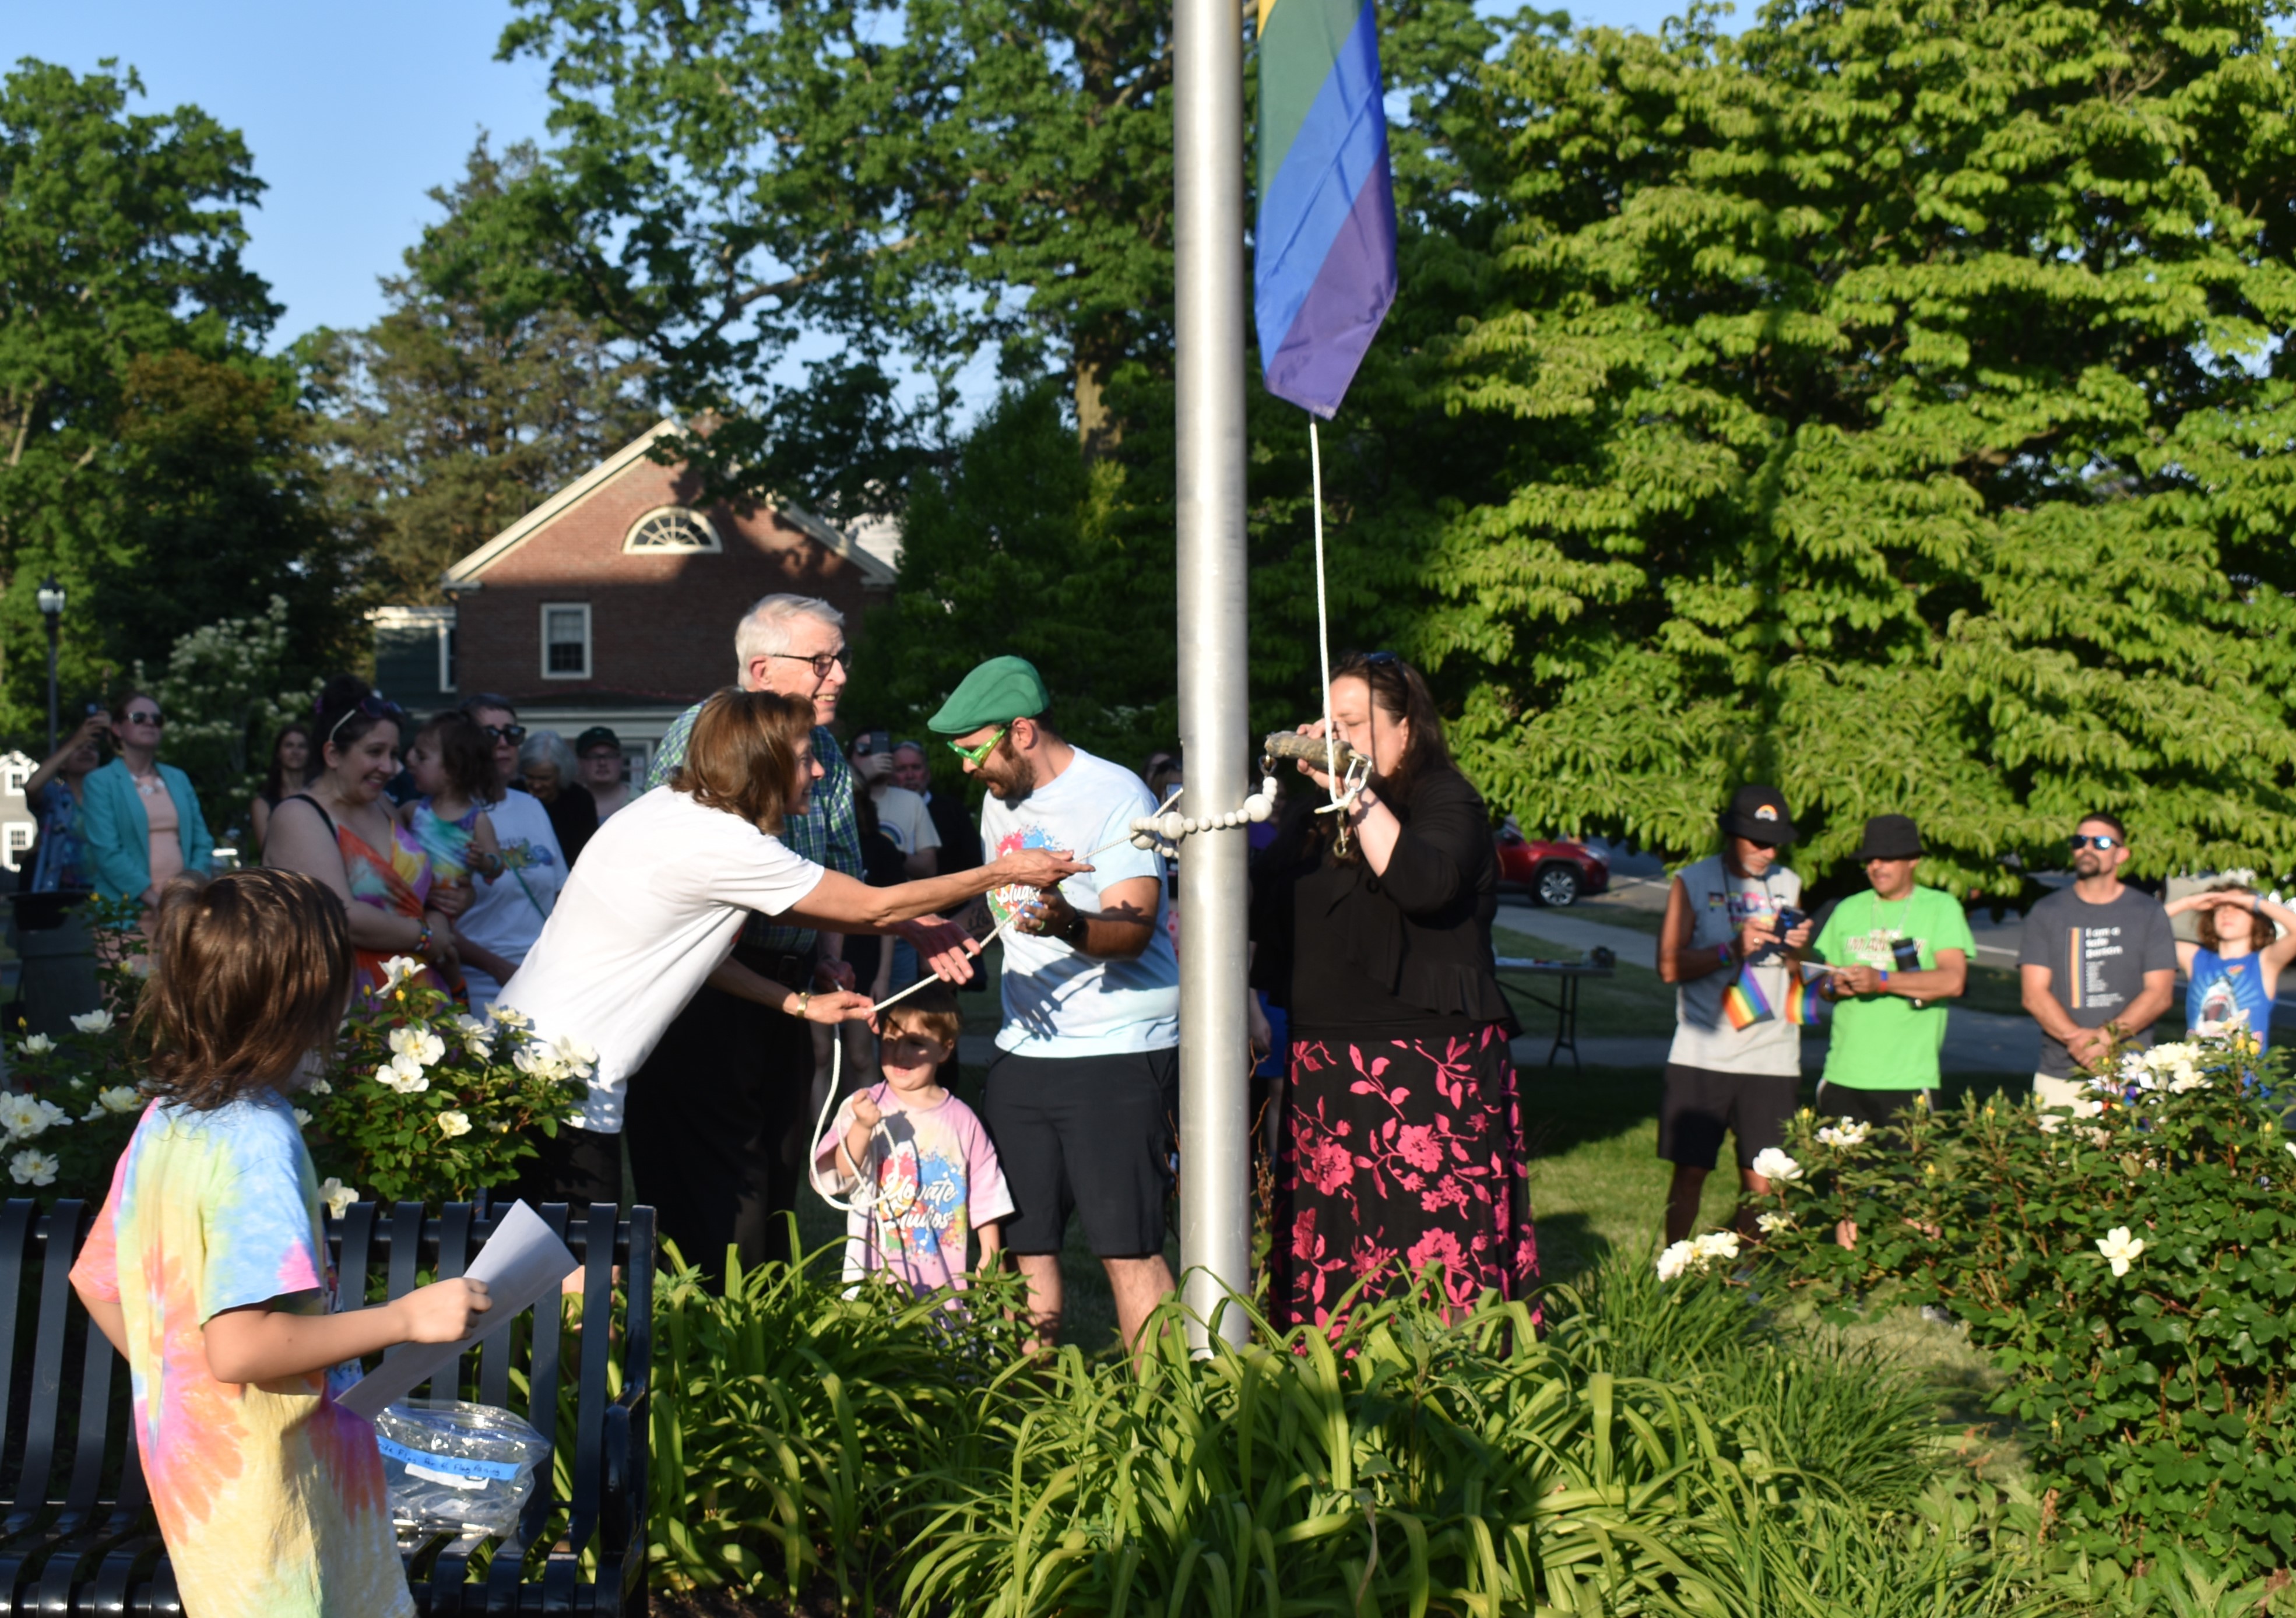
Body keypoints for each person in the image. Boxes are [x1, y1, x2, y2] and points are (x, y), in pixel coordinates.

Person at [68, 869, 491, 1618]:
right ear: (305, 1001)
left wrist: (185, 1393)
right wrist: (407, 1318)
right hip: (268, 1485)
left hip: (208, 1471)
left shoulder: (171, 1114)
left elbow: (98, 1280)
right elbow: (240, 1347)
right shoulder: (259, 1141)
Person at [495, 688, 1085, 1221]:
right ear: (764, 763)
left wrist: (796, 1002)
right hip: (560, 1085)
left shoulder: (673, 813)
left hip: (523, 1058)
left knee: (541, 1271)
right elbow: (870, 907)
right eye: (806, 757)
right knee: (570, 1283)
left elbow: (691, 954)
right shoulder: (723, 842)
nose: (821, 770)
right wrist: (1003, 871)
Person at [1249, 652, 1532, 1331]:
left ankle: (1439, 1396)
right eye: (1331, 723)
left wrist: (1357, 790)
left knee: (1429, 1251)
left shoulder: (1447, 797)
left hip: (1428, 1065)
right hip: (1327, 1064)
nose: (1338, 738)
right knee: (1336, 1251)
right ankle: (1330, 1396)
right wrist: (1252, 1001)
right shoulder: (1316, 815)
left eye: (1356, 723)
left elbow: (1422, 882)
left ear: (1407, 729)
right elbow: (1265, 913)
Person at [930, 655, 1182, 1352]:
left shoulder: (1114, 793)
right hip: (1023, 1050)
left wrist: (1065, 921)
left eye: (974, 749)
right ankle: (1031, 1410)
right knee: (1020, 1246)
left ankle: (1159, 1418)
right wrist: (955, 936)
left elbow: (1132, 929)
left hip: (1118, 1049)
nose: (965, 767)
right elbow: (1006, 911)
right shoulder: (998, 795)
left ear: (1022, 731)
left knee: (1126, 1246)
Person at [621, 595, 869, 1272]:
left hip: (787, 988)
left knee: (777, 1162)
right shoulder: (704, 733)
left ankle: (763, 1334)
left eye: (842, 658)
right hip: (709, 986)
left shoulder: (827, 752)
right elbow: (691, 872)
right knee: (719, 1186)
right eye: (822, 661)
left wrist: (828, 958)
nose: (840, 675)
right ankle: (703, 1342)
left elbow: (840, 860)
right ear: (761, 668)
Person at [1654, 783, 1815, 1245]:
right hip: (1702, 1053)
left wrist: (1795, 952)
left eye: (1774, 843)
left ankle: (1746, 1279)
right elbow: (1667, 966)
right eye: (1757, 841)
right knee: (1690, 1172)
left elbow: (1795, 974)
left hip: (1771, 1054)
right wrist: (1731, 949)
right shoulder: (1692, 881)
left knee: (1761, 1179)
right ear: (1731, 835)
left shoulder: (1788, 884)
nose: (1767, 852)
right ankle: (1675, 1265)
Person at [808, 982, 1012, 1294]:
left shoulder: (963, 1120)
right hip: (874, 1279)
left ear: (945, 1048)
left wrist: (989, 1254)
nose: (900, 1054)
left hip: (942, 1281)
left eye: (915, 1043)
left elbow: (987, 1193)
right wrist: (862, 1127)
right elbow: (842, 1173)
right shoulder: (864, 1105)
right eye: (890, 1041)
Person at [263, 678, 462, 997]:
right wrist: (425, 937)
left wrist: (442, 916)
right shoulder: (298, 816)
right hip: (346, 1011)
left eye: (393, 753)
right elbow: (342, 916)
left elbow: (424, 897)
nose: (390, 767)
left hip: (419, 1006)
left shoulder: (382, 804)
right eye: (375, 752)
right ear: (332, 754)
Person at [1811, 815, 1973, 1125]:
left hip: (1908, 1078)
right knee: (1843, 1175)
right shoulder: (1849, 908)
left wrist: (1881, 981)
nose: (1876, 866)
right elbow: (1822, 982)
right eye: (1870, 860)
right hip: (1843, 1074)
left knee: (1905, 1175)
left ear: (1912, 860)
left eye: (1887, 859)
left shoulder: (1941, 907)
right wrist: (1835, 987)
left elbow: (1953, 981)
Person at [2017, 813, 2177, 1113]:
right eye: (2080, 841)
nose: (2087, 849)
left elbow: (2159, 993)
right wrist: (2079, 1041)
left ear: (2122, 854)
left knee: (2134, 1161)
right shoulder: (2047, 911)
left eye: (2101, 842)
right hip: (2061, 1074)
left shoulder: (2148, 913)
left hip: (2132, 1072)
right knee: (2058, 1161)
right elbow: (2033, 993)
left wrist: (2106, 1039)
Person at [450, 695, 568, 1011]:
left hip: (543, 980)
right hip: (480, 987)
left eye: (512, 734)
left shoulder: (532, 806)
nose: (504, 744)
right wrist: (499, 969)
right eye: (490, 734)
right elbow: (436, 923)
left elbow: (561, 895)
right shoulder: (449, 816)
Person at [79, 692, 217, 924]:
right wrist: (154, 899)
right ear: (117, 729)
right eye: (139, 717)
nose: (150, 723)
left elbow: (202, 841)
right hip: (126, 912)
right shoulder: (100, 782)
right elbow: (107, 850)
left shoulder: (178, 778)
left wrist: (188, 891)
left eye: (157, 719)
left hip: (184, 911)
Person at [2166, 882, 2296, 1046]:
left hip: (2243, 1071)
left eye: (2238, 907)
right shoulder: (2195, 958)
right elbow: (2141, 931)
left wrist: (2256, 903)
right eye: (2221, 908)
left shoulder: (2264, 963)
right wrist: (2188, 903)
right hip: (2197, 1069)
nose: (2227, 913)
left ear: (2255, 918)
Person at [401, 712, 504, 894]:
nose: (412, 761)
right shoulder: (412, 811)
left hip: (446, 911)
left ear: (452, 769)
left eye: (422, 757)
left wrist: (483, 861)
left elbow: (498, 866)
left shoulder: (477, 820)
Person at [23, 710, 107, 893]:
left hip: (103, 890)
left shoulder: (108, 797)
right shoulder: (54, 796)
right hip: (57, 890)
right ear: (62, 762)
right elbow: (31, 787)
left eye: (92, 747)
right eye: (79, 748)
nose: (86, 750)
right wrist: (75, 741)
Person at [895, 738, 982, 876]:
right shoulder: (879, 810)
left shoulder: (952, 810)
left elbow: (974, 861)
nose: (910, 776)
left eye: (916, 767)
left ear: (928, 773)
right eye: (901, 769)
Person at [519, 730, 600, 866]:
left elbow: (587, 854)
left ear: (562, 773)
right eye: (530, 777)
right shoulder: (515, 793)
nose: (536, 785)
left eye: (545, 778)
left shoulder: (579, 800)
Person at [248, 724, 313, 853]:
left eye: (302, 746)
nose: (295, 752)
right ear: (278, 753)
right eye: (289, 745)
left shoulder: (321, 796)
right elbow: (268, 852)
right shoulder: (262, 804)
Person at [575, 726, 633, 820]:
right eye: (594, 756)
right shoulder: (568, 805)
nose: (602, 763)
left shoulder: (642, 800)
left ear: (621, 760)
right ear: (580, 763)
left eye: (610, 755)